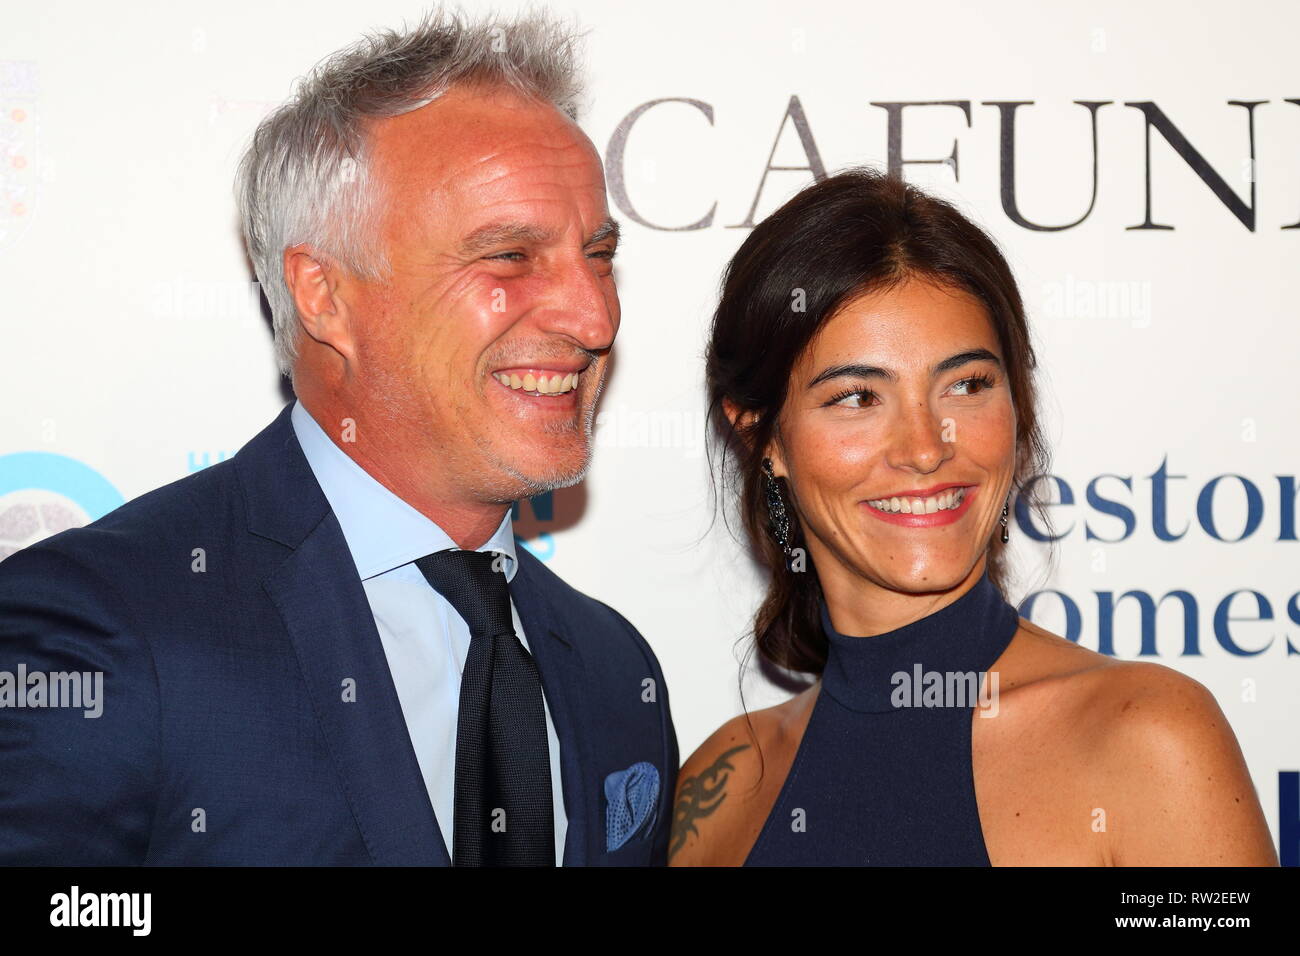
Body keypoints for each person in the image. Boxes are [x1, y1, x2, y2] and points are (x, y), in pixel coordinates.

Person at [0, 7, 677, 867]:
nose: (595, 316)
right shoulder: (105, 629)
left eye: (599, 254)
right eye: (510, 257)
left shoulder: (615, 672)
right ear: (323, 294)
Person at [669, 167, 1277, 866]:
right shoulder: (722, 786)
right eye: (858, 397)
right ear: (762, 436)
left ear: (1017, 404)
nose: (927, 448)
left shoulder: (1146, 739)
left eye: (966, 385)